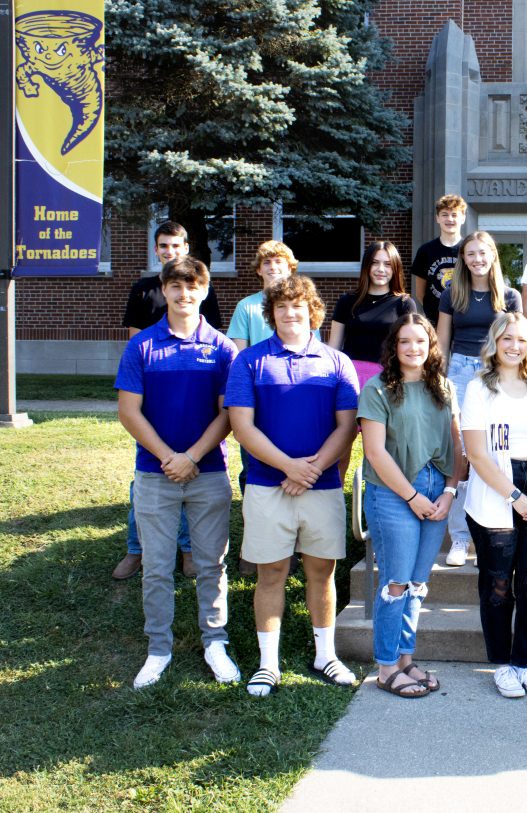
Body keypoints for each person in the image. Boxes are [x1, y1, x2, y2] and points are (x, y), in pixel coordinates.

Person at [226, 276, 360, 696]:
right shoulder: (248, 362)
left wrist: (315, 468)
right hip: (268, 486)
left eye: (297, 306)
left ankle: (325, 655)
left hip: (320, 489)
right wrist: (289, 467)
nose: (289, 313)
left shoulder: (337, 363)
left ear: (312, 311)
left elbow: (347, 427)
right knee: (272, 573)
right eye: (281, 307)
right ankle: (269, 664)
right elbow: (241, 427)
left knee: (322, 572)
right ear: (272, 314)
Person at [114, 256, 239, 688]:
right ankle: (158, 648)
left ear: (204, 291)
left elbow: (229, 414)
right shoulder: (142, 346)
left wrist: (192, 456)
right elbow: (129, 412)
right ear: (163, 291)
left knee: (211, 564)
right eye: (176, 288)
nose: (184, 295)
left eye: (193, 288)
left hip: (208, 473)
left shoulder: (223, 349)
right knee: (157, 566)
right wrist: (170, 456)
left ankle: (215, 641)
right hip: (154, 473)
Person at [359, 314, 465, 698]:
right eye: (405, 341)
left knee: (418, 584)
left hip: (437, 490)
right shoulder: (378, 389)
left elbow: (456, 446)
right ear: (394, 346)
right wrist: (412, 496)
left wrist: (450, 491)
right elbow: (373, 450)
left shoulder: (444, 387)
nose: (413, 348)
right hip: (393, 492)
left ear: (431, 345)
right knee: (396, 581)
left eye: (420, 341)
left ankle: (406, 659)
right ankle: (386, 667)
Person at [461, 313, 527, 698]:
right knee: (499, 585)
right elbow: (476, 453)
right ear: (494, 342)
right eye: (507, 338)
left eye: (521, 339)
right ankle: (503, 665)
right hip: (496, 493)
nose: (514, 345)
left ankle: (526, 664)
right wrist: (515, 497)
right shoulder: (477, 389)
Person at [114, 220, 221, 581]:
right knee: (144, 484)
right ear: (156, 249)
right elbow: (135, 342)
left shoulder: (200, 289)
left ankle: (189, 550)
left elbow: (211, 334)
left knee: (193, 484)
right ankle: (138, 549)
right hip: (154, 401)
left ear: (186, 247)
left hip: (195, 408)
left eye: (175, 245)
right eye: (163, 246)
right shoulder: (144, 290)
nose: (169, 251)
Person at [227, 240, 312, 577]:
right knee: (256, 472)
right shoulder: (247, 308)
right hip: (259, 407)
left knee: (297, 471)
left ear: (290, 267)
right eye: (267, 262)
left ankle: (295, 544)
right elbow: (238, 356)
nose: (273, 267)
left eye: (280, 262)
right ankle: (257, 545)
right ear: (259, 269)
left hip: (295, 404)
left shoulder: (302, 306)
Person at [437, 231, 522, 567]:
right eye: (470, 254)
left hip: (496, 371)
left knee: (499, 451)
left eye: (482, 253)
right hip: (459, 369)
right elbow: (442, 340)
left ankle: (497, 530)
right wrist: (440, 379)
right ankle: (460, 538)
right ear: (463, 259)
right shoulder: (452, 294)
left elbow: (517, 340)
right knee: (462, 454)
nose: (476, 259)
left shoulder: (510, 296)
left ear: (492, 256)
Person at [329, 241, 419, 480]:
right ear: (366, 267)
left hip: (385, 383)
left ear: (395, 268)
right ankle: (335, 503)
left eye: (387, 264)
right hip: (348, 382)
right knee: (340, 452)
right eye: (375, 263)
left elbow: (412, 346)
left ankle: (378, 506)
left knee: (380, 453)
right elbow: (334, 348)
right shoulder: (347, 301)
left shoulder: (404, 304)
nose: (381, 269)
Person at [411, 194, 467, 319]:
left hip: (464, 318)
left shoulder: (469, 249)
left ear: (463, 218)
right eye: (445, 214)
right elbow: (420, 293)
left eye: (454, 215)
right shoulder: (425, 251)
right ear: (437, 218)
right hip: (434, 320)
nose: (450, 219)